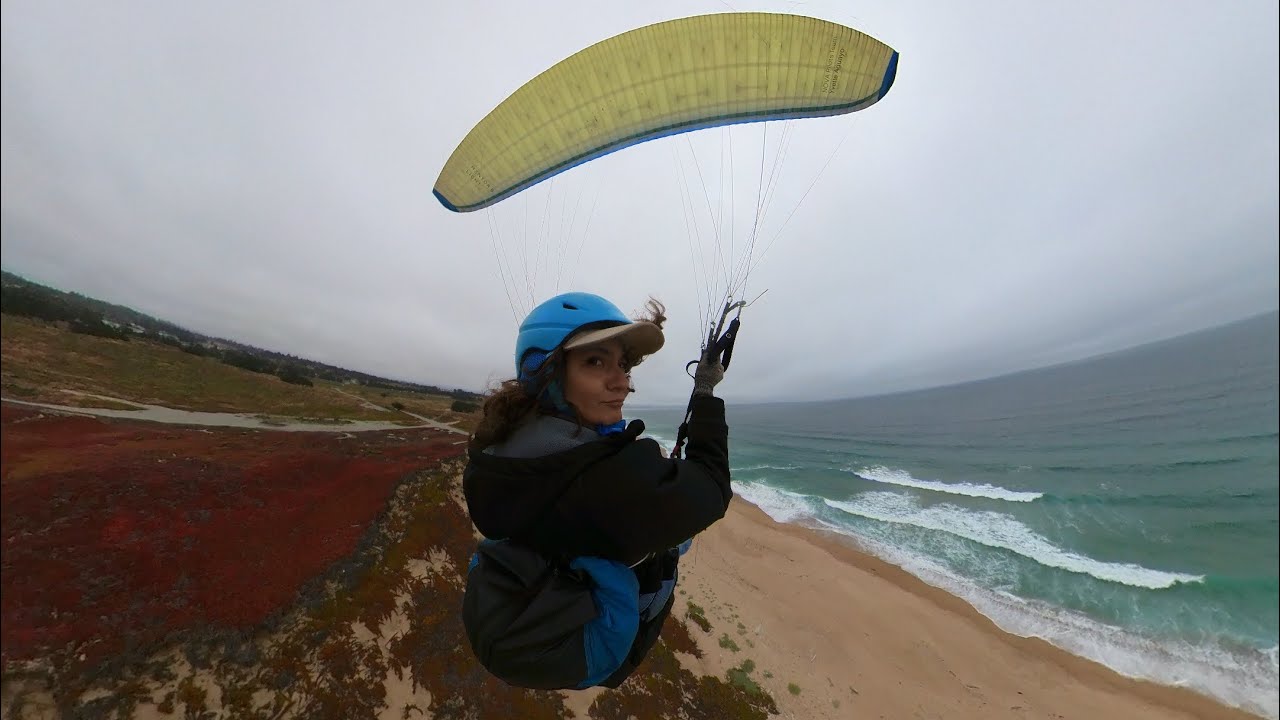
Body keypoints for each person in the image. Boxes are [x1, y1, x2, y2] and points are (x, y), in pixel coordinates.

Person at [462, 290, 731, 689]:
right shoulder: (615, 484)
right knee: (680, 544)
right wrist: (705, 392)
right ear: (546, 372)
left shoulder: (492, 457)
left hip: (533, 595)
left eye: (622, 365)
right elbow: (712, 486)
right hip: (602, 640)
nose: (621, 384)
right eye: (594, 362)